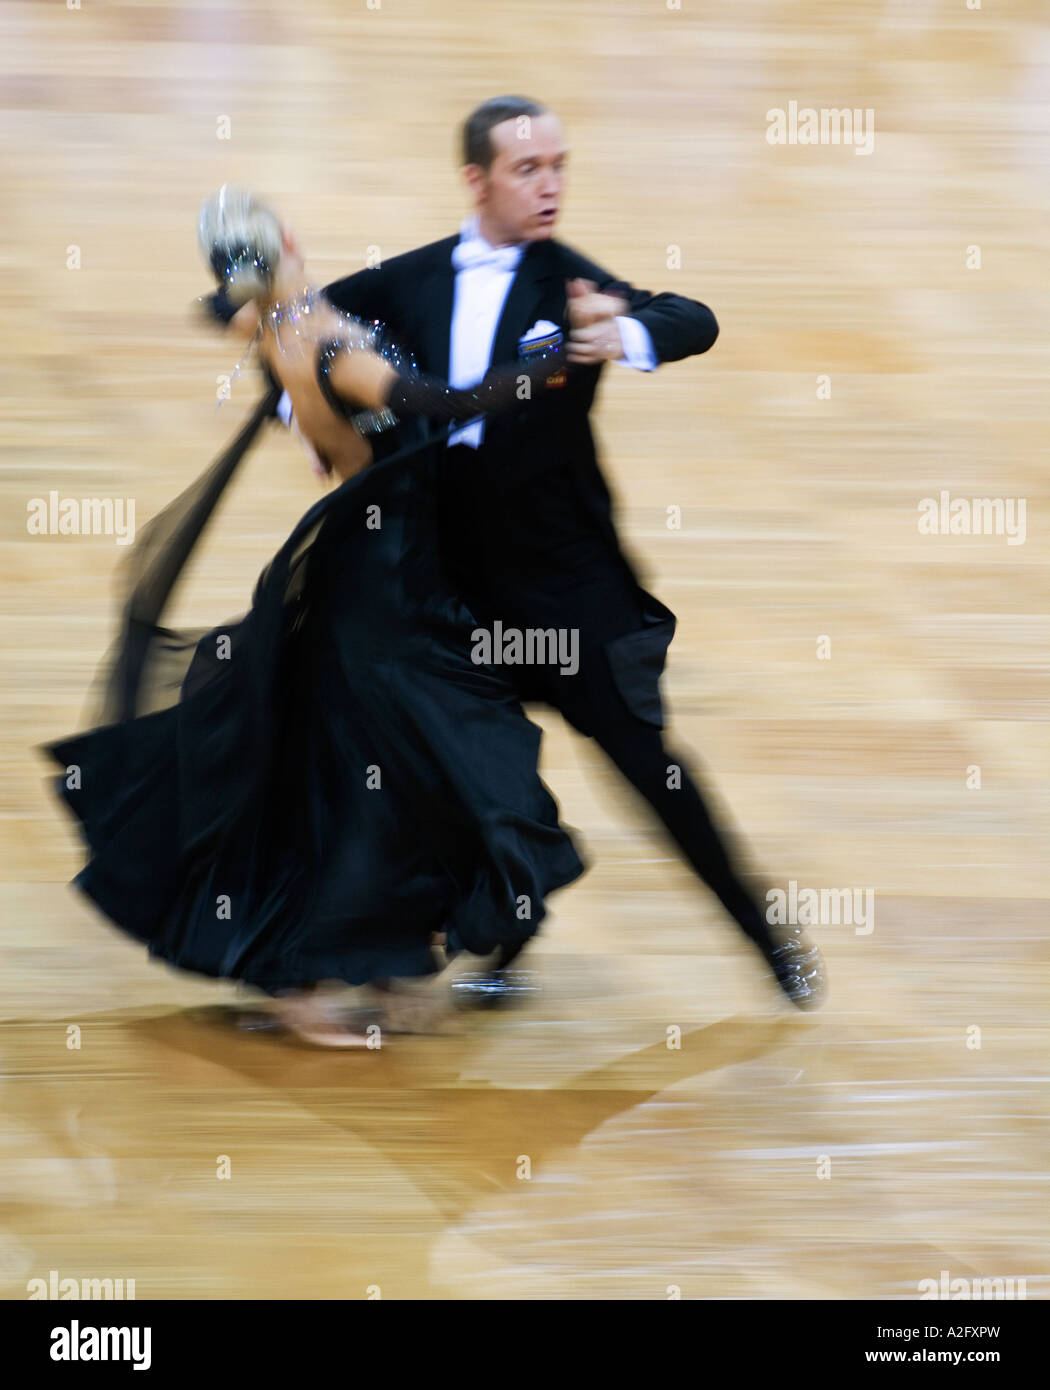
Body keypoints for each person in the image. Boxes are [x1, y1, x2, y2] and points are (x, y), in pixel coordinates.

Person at [202, 97, 825, 1009]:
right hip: (449, 595)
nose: (551, 186)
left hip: (570, 594)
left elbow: (694, 317)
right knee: (461, 779)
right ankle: (503, 946)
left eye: (560, 166)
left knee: (652, 772)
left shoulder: (569, 281)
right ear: (476, 180)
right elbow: (282, 320)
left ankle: (764, 934)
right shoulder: (410, 280)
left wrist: (628, 331)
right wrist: (288, 381)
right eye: (529, 169)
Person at [44, 186, 586, 1048]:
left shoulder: (262, 330)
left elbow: (220, 306)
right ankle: (313, 973)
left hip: (368, 564)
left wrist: (240, 289)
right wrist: (543, 362)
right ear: (293, 237)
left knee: (371, 765)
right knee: (444, 758)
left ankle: (378, 956)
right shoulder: (331, 346)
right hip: (392, 578)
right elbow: (445, 407)